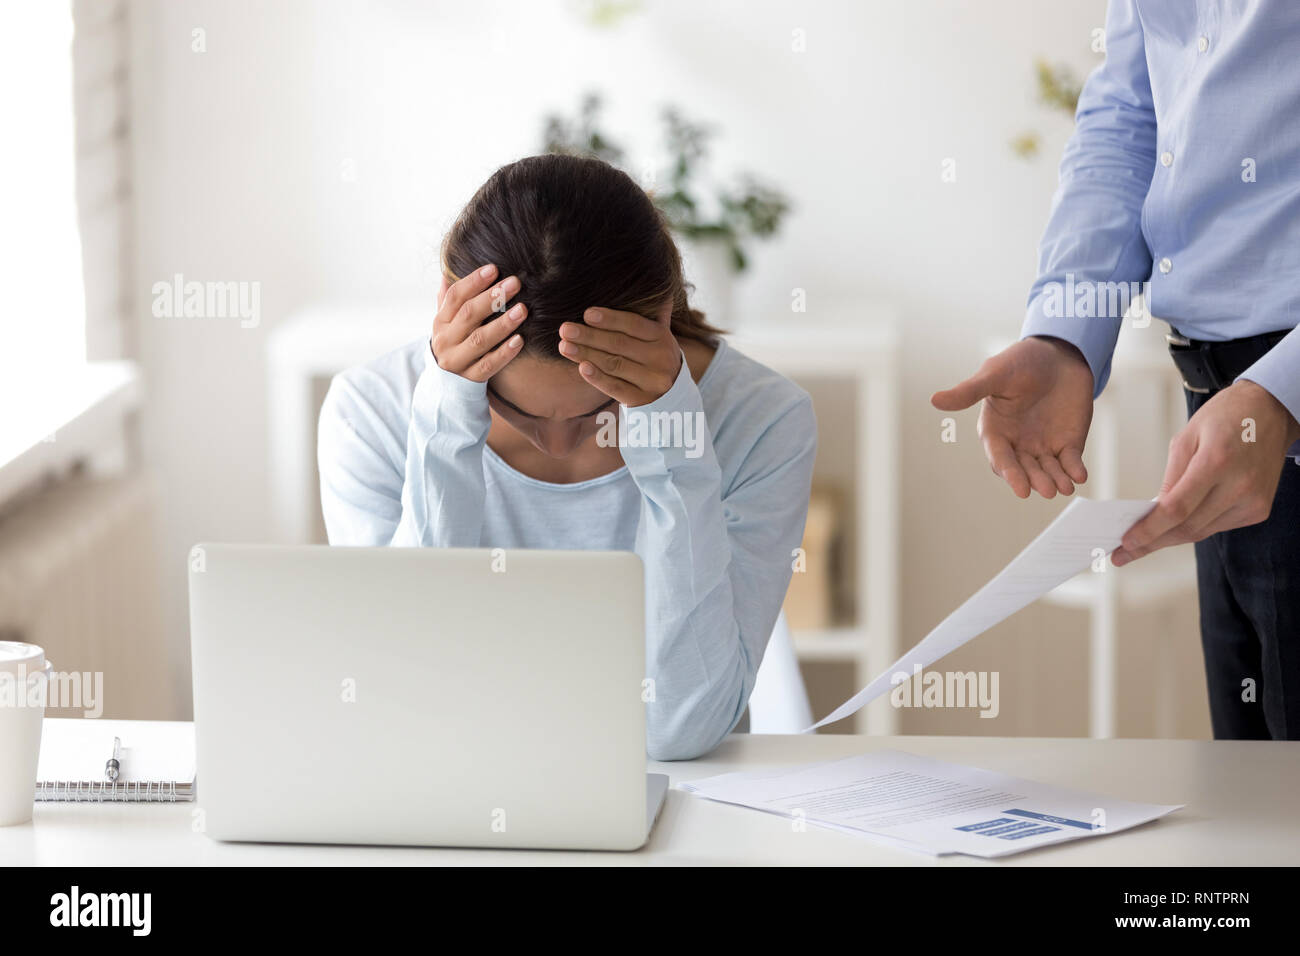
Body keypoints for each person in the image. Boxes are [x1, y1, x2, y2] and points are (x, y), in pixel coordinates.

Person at [317, 154, 817, 760]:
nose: (555, 445)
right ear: (451, 304)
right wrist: (448, 423)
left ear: (659, 320)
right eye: (514, 412)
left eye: (597, 414)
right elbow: (402, 695)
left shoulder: (763, 420)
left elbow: (679, 727)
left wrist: (669, 428)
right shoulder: (369, 412)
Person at [933, 1, 1300, 740]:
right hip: (1222, 410)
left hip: (1270, 403)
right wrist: (1067, 332)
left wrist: (1285, 391)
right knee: (1258, 815)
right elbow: (1129, 117)